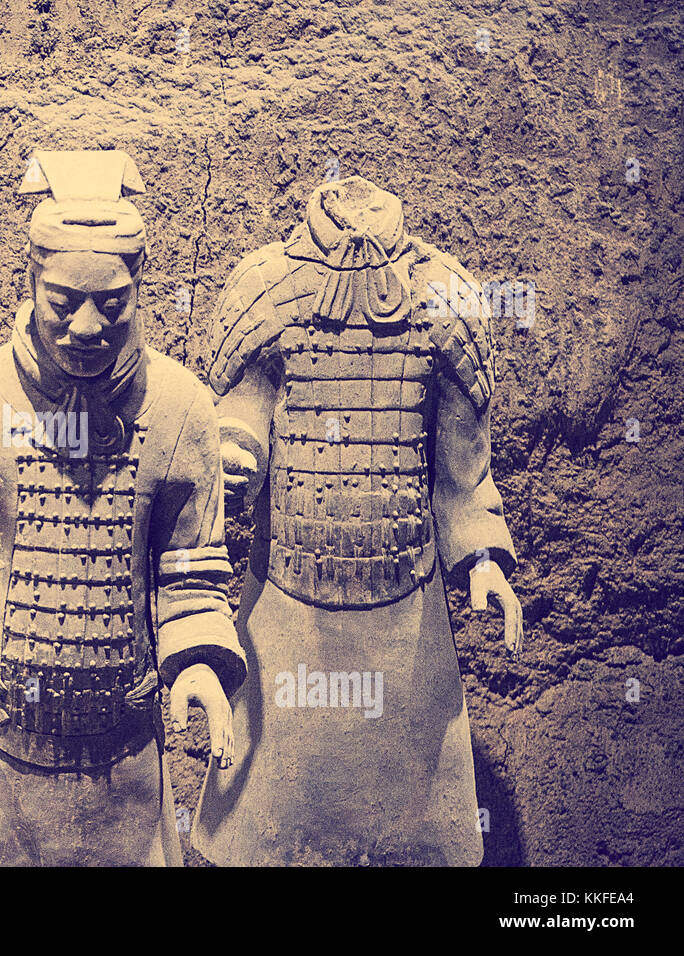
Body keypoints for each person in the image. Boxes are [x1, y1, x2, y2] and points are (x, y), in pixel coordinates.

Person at [0, 150, 246, 865]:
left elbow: (189, 564)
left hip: (127, 753)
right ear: (30, 282)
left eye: (111, 305)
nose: (86, 326)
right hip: (2, 746)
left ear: (139, 288)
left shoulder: (180, 407)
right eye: (62, 302)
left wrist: (199, 662)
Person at [192, 175, 523, 866]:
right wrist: (236, 450)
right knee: (269, 831)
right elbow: (245, 409)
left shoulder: (443, 294)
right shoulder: (268, 285)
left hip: (407, 619)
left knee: (412, 838)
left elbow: (461, 469)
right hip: (287, 609)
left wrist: (484, 558)